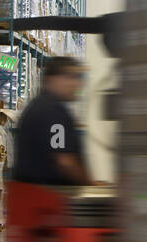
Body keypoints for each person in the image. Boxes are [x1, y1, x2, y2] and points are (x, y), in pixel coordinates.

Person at [9, 56, 93, 186]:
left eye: (79, 77)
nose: (77, 84)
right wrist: (89, 185)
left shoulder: (38, 105)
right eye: (71, 77)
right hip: (44, 197)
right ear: (51, 80)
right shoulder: (53, 111)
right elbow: (64, 160)